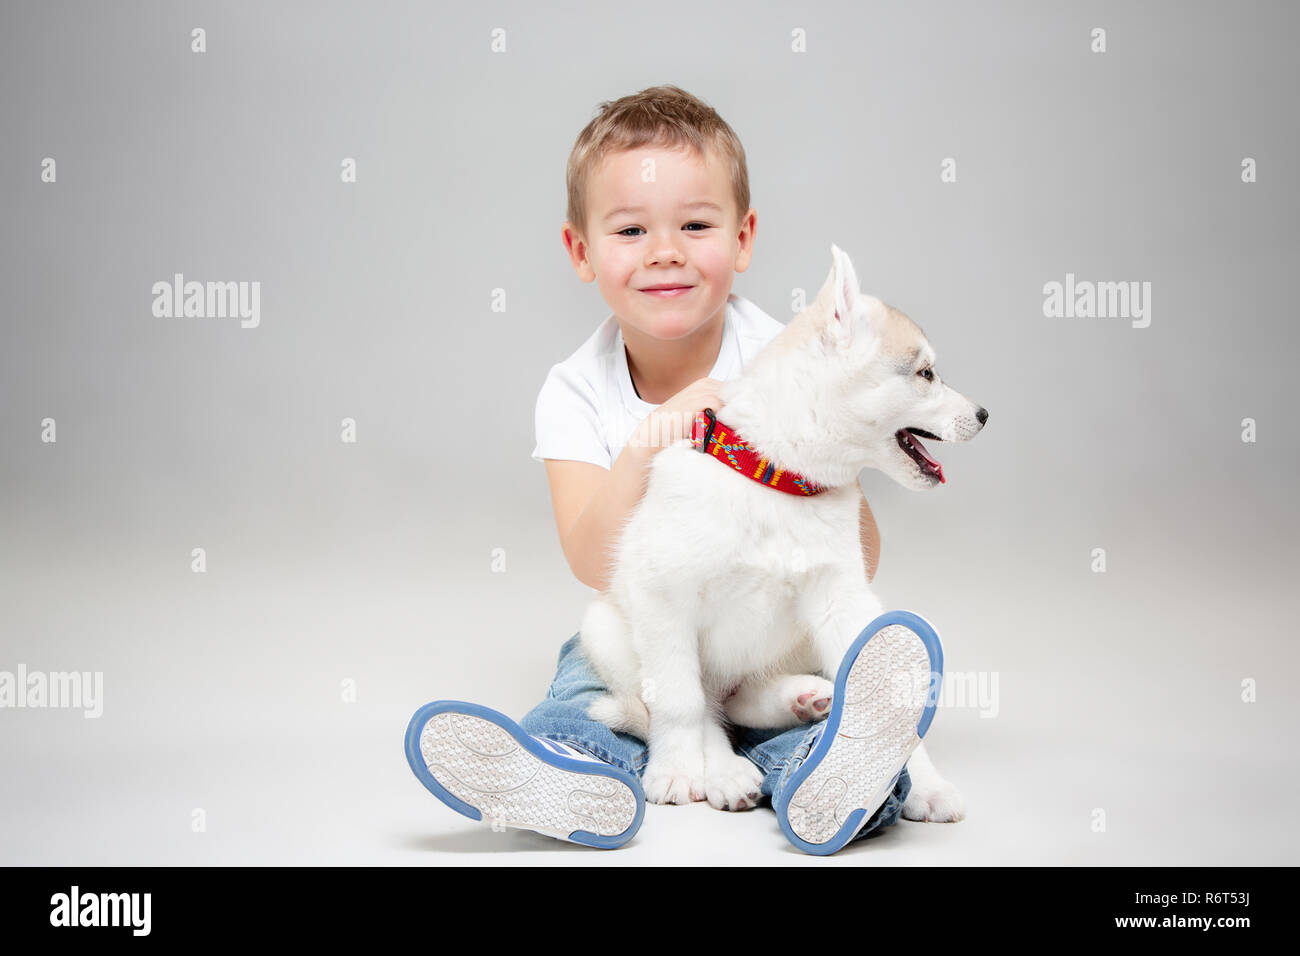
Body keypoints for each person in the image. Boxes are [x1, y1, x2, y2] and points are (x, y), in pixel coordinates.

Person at [405, 85, 942, 854]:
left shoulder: (788, 360)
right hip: (653, 636)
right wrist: (651, 439)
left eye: (696, 224)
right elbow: (594, 563)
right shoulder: (573, 390)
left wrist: (826, 447)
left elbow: (855, 564)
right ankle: (559, 770)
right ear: (581, 251)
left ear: (744, 237)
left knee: (808, 710)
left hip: (776, 641)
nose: (665, 250)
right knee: (588, 676)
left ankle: (845, 781)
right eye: (630, 229)